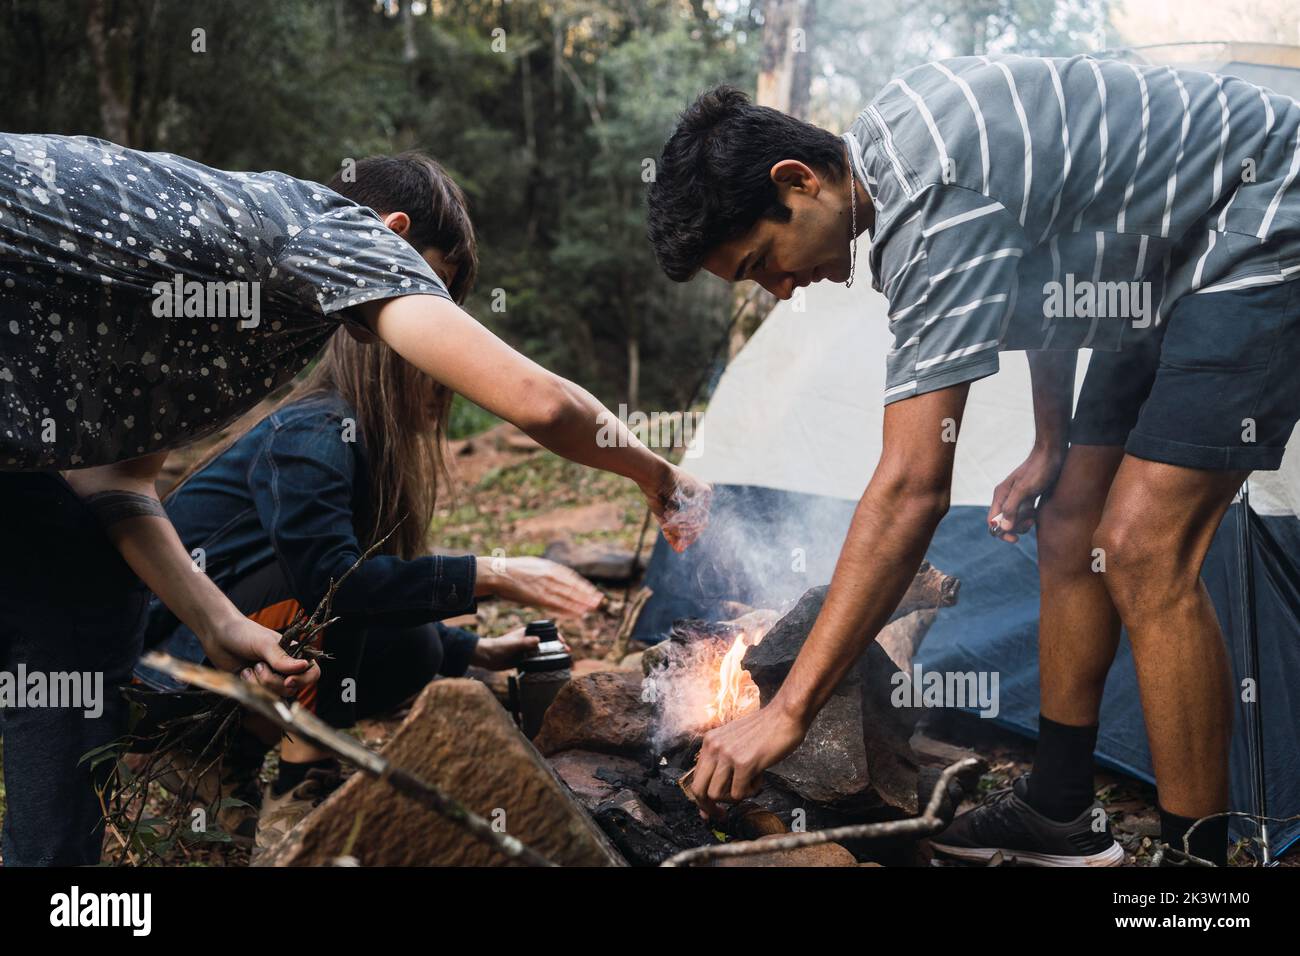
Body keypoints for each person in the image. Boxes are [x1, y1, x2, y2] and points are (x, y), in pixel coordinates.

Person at [646, 54, 1300, 866]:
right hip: (1161, 268)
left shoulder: (930, 202)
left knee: (1141, 548)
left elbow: (914, 487)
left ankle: (1200, 881)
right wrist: (1050, 442)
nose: (780, 291)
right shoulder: (893, 153)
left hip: (1267, 212)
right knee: (1071, 521)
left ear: (798, 180)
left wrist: (790, 711)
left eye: (760, 262)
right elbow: (1051, 285)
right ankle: (1059, 811)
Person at [0, 136, 710, 866]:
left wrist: (218, 625)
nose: (416, 336)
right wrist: (660, 477)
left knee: (79, 607)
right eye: (427, 288)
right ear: (393, 233)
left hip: (26, 469)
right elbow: (539, 401)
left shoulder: (236, 316)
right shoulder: (324, 229)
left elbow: (112, 481)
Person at [129, 156, 604, 852]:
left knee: (413, 638)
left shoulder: (352, 437)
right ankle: (262, 759)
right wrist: (496, 572)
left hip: (219, 657)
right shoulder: (317, 429)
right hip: (156, 676)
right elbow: (333, 586)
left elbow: (354, 599)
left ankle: (276, 759)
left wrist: (473, 649)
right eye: (433, 304)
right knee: (389, 622)